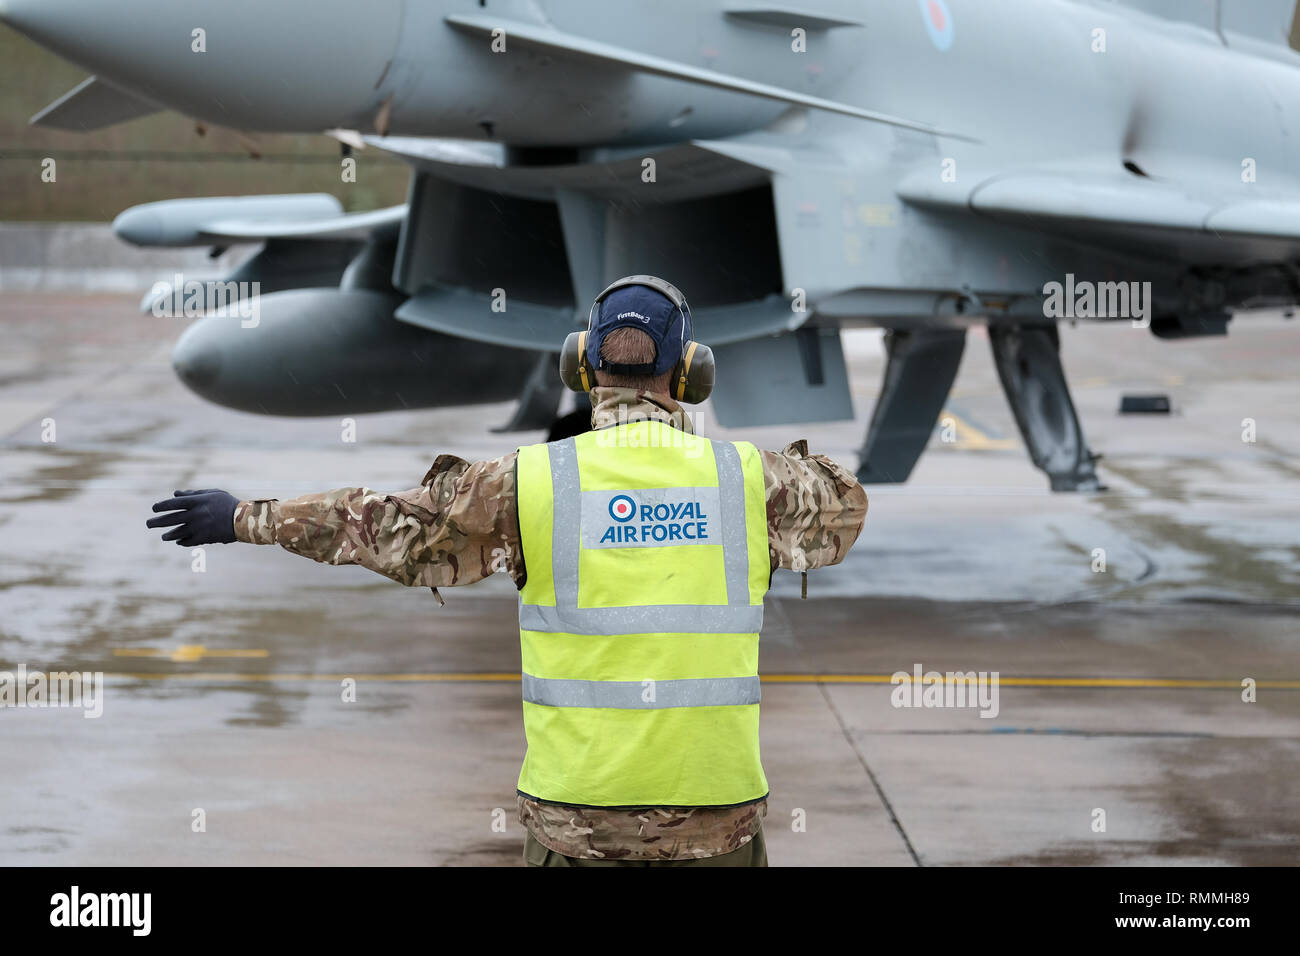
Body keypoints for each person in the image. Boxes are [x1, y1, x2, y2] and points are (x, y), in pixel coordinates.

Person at [148, 275, 868, 866]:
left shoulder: (529, 484)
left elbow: (389, 528)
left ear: (581, 366)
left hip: (576, 825)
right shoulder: (749, 483)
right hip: (715, 824)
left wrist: (245, 517)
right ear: (690, 373)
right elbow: (844, 508)